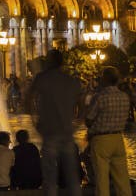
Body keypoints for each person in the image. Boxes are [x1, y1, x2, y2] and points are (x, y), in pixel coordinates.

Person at [25, 49, 82, 196]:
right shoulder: (70, 80)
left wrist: (33, 119)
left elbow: (28, 98)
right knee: (72, 177)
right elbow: (82, 105)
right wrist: (77, 124)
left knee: (50, 178)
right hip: (68, 133)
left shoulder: (42, 78)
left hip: (49, 132)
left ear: (50, 61)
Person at [85, 66, 132, 196]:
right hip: (118, 139)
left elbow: (89, 120)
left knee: (102, 180)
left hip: (101, 140)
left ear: (104, 79)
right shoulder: (124, 97)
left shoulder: (100, 97)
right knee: (122, 179)